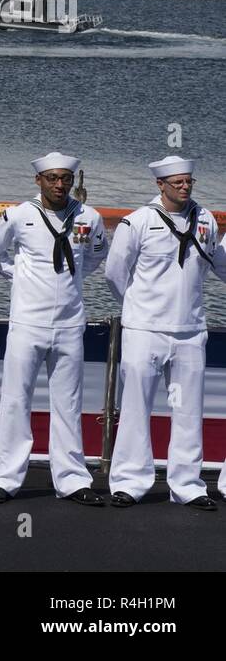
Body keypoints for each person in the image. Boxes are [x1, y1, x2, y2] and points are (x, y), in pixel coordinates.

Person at [0, 152, 107, 506]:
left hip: (70, 323)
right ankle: (4, 479)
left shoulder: (89, 217)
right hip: (27, 323)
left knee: (68, 404)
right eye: (52, 178)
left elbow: (96, 256)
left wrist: (72, 278)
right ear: (38, 180)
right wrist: (18, 273)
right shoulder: (19, 216)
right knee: (15, 401)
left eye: (65, 179)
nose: (59, 185)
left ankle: (71, 479)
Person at [104, 156, 225, 510]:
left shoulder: (205, 220)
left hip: (189, 329)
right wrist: (141, 307)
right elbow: (115, 273)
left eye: (189, 182)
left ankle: (187, 484)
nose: (185, 187)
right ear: (160, 185)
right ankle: (129, 481)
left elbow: (218, 263)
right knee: (136, 407)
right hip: (145, 329)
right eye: (177, 183)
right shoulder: (137, 222)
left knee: (188, 411)